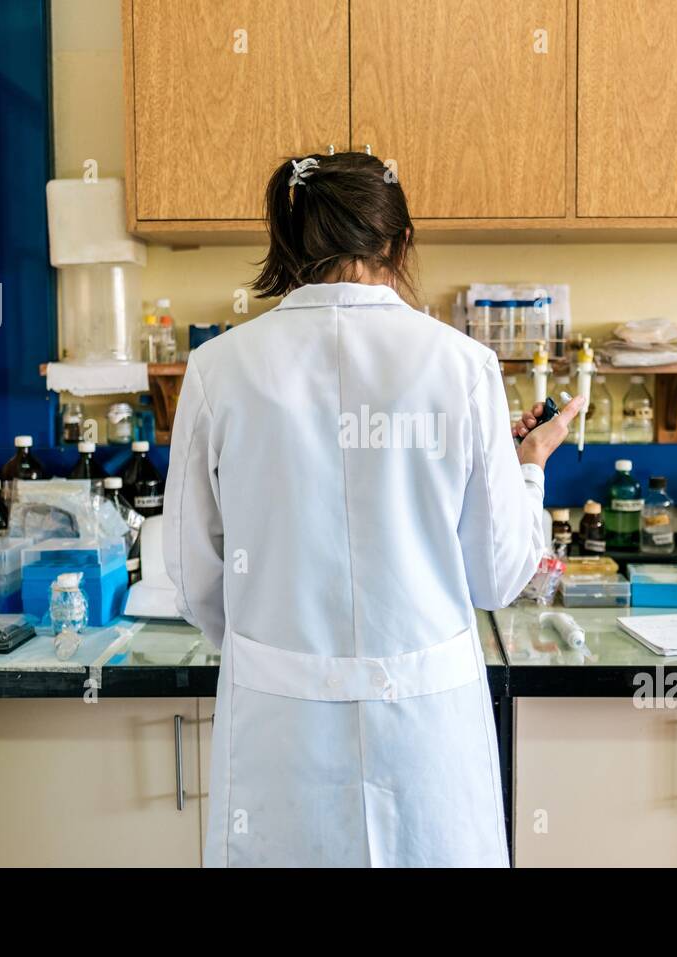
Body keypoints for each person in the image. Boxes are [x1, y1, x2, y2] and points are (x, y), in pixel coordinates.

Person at [163, 151, 582, 867]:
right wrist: (529, 470)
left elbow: (194, 577)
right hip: (426, 738)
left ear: (293, 245)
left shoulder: (218, 371)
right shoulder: (462, 367)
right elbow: (500, 574)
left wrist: (277, 641)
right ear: (398, 243)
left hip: (278, 734)